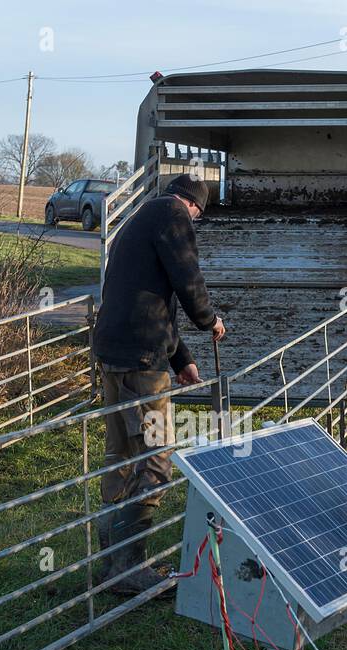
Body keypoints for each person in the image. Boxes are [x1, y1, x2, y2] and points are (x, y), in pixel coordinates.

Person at [92, 174, 226, 594]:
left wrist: (181, 359)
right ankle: (129, 568)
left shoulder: (139, 218)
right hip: (142, 365)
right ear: (194, 207)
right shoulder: (173, 216)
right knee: (154, 459)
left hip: (113, 354)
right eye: (198, 217)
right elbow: (188, 278)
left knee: (121, 455)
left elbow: (151, 304)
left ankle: (109, 562)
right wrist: (210, 320)